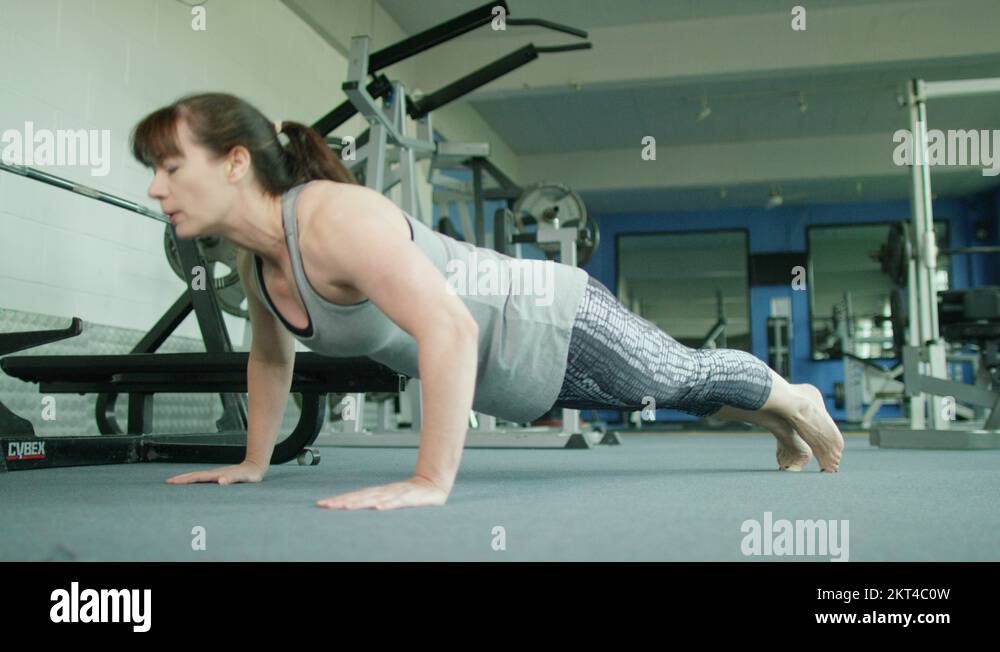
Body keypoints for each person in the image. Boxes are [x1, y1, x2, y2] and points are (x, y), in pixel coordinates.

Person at [131, 93, 843, 511]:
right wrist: (256, 461)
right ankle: (779, 422)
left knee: (680, 378)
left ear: (234, 162)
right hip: (512, 374)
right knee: (675, 394)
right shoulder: (258, 265)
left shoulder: (331, 220)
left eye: (169, 167)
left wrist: (428, 481)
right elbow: (268, 354)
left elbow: (448, 326)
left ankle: (794, 395)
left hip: (549, 320)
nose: (156, 189)